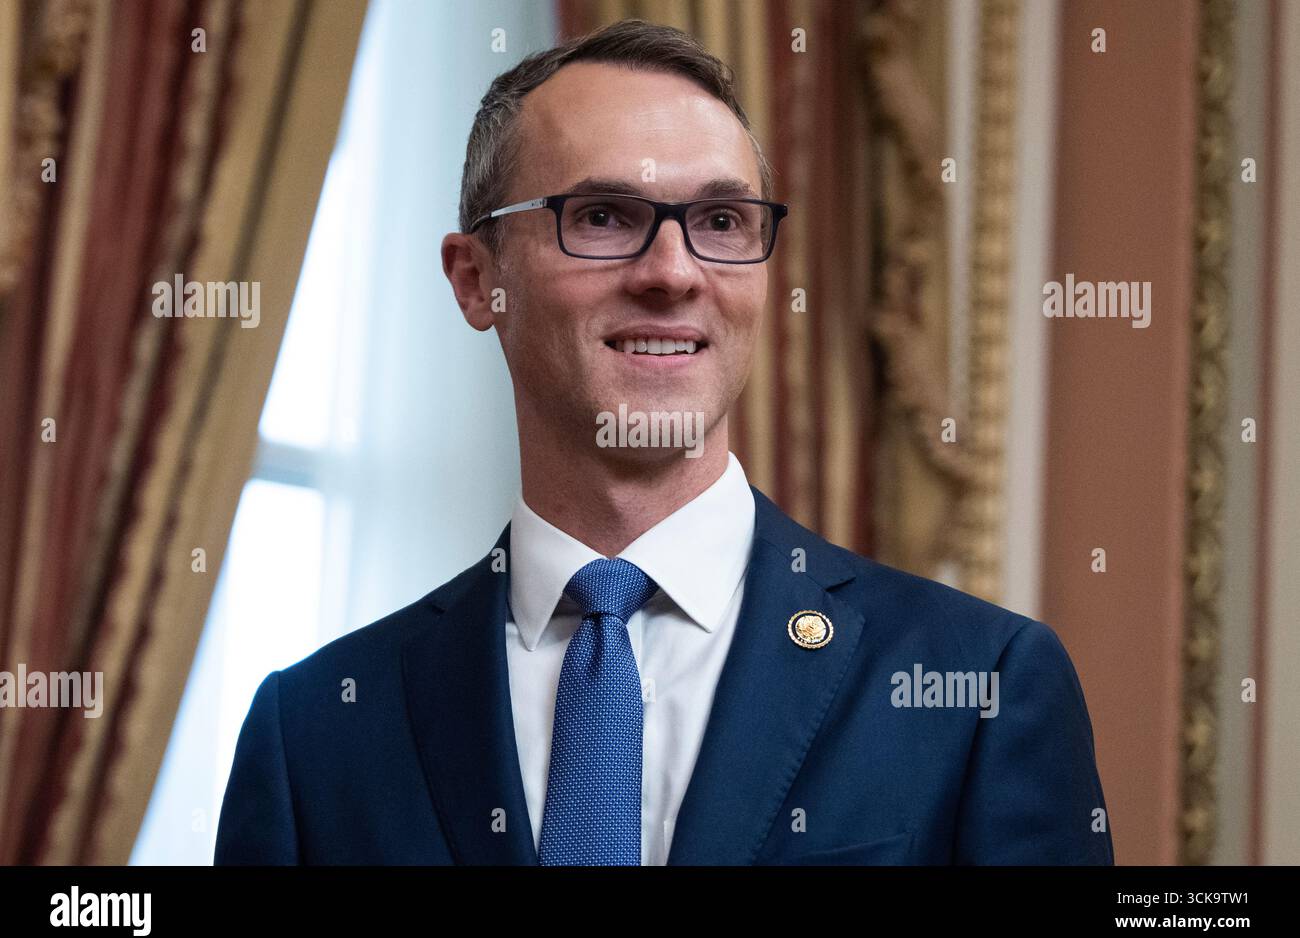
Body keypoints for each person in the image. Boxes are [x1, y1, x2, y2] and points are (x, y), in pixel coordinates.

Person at [215, 18, 1113, 866]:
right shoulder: (315, 734)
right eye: (603, 216)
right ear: (477, 279)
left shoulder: (978, 687)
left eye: (722, 222)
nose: (674, 273)